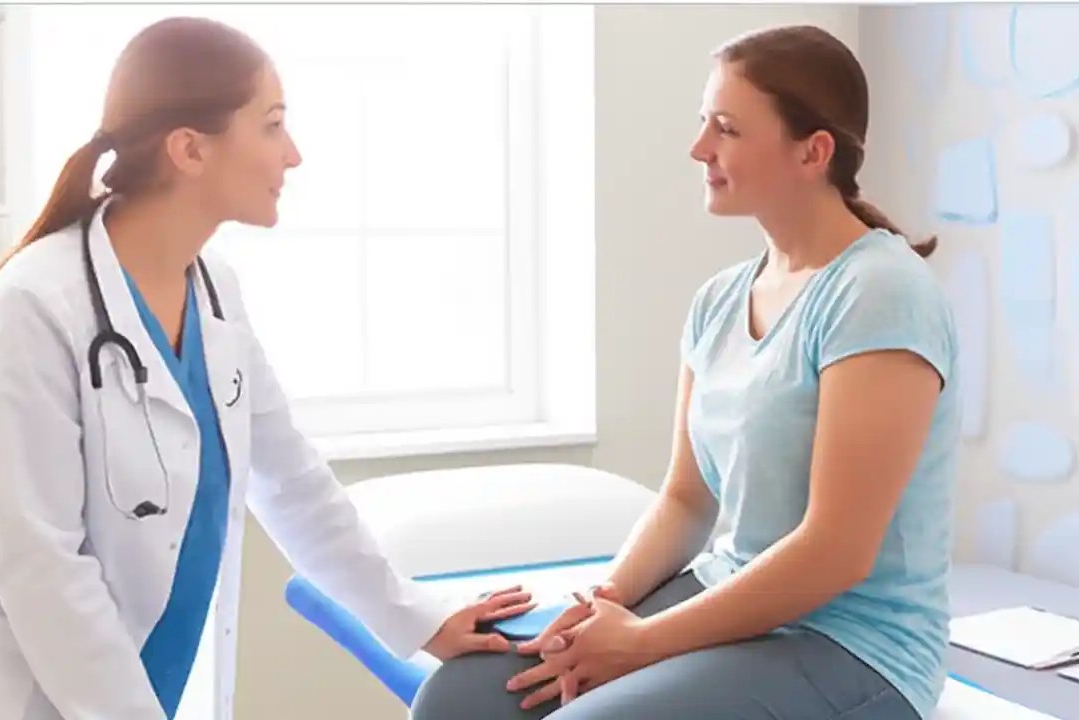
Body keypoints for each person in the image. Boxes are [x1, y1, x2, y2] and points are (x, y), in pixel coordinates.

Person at [0, 16, 535, 720]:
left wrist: (417, 618)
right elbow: (43, 569)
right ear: (190, 149)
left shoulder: (213, 290)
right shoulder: (30, 310)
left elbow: (290, 481)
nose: (294, 155)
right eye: (272, 124)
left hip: (112, 685)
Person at [410, 24, 959, 720]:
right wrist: (602, 606)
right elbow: (685, 499)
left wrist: (642, 643)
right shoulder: (720, 301)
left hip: (850, 643)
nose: (699, 148)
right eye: (705, 122)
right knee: (458, 700)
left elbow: (836, 551)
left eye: (726, 128)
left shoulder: (880, 294)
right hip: (727, 595)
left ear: (812, 152)